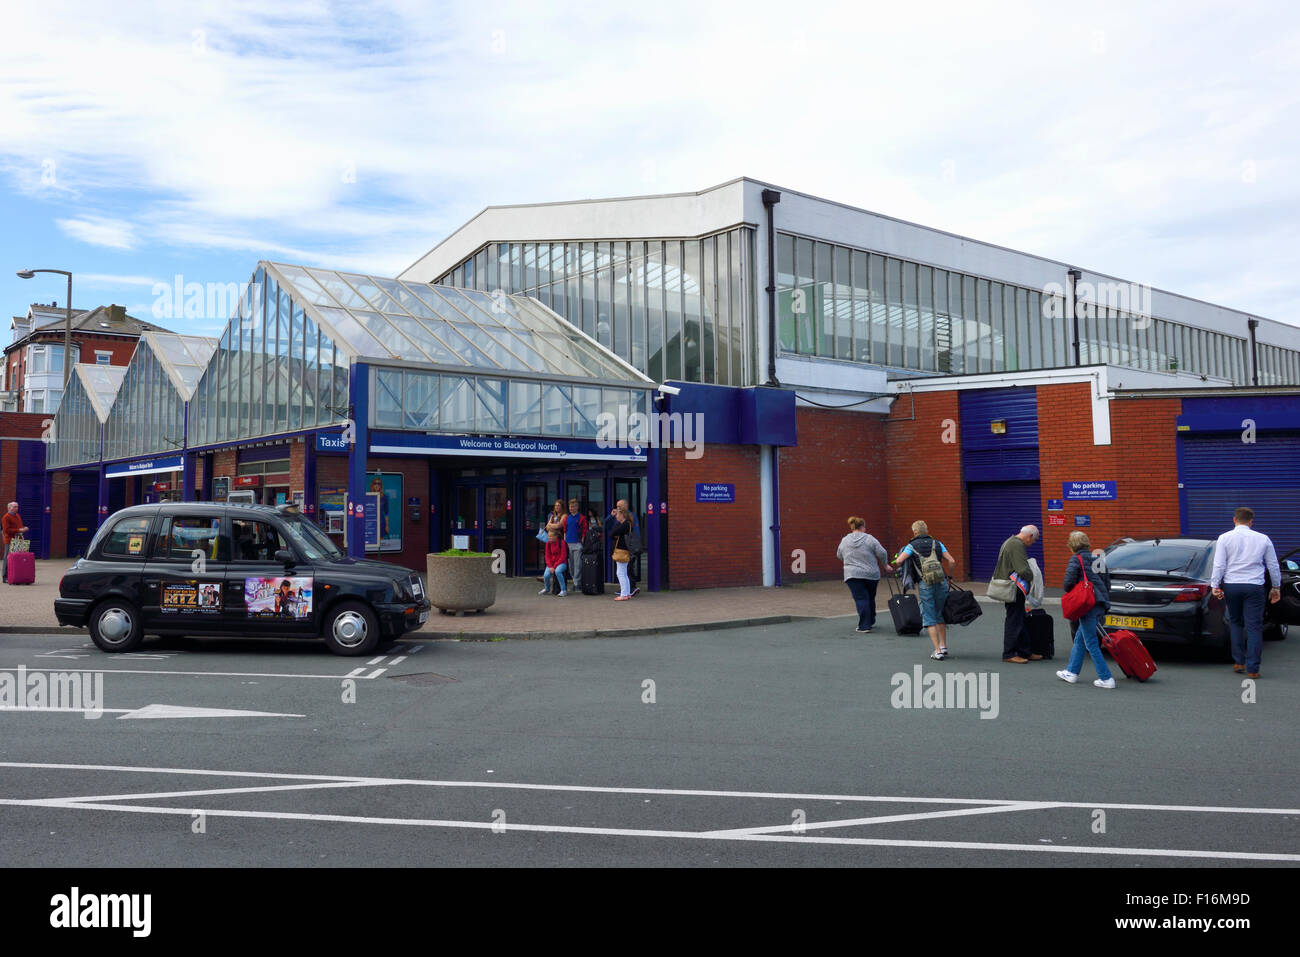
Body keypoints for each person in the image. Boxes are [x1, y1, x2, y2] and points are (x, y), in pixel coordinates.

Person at [1210, 506, 1282, 679]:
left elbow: (1219, 564)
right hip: (1254, 586)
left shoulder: (1224, 538)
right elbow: (1273, 565)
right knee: (1254, 626)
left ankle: (1238, 661)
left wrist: (1215, 585)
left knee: (1235, 622)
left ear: (1234, 520)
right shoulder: (1263, 539)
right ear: (1251, 521)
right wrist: (1276, 587)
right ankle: (1253, 669)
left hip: (1232, 585)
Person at [1056, 531, 1116, 688]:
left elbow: (1067, 584)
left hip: (1087, 604)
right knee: (1080, 639)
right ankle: (1071, 672)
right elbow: (1107, 583)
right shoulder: (1098, 559)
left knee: (1091, 642)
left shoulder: (1076, 559)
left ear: (1072, 545)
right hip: (1099, 602)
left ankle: (1106, 678)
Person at [895, 520, 957, 658]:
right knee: (940, 613)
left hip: (925, 583)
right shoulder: (937, 543)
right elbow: (952, 561)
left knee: (929, 617)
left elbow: (899, 561)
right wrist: (950, 577)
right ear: (927, 530)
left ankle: (937, 651)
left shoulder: (911, 546)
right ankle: (943, 646)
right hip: (941, 582)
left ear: (914, 532)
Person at [836, 517, 891, 633]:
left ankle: (865, 625)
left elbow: (839, 555)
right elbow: (882, 552)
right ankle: (870, 620)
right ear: (862, 527)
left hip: (852, 574)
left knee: (861, 598)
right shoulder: (869, 539)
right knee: (870, 597)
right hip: (871, 574)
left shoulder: (845, 540)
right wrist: (885, 565)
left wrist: (849, 560)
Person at [995, 525, 1040, 663]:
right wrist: (1033, 577)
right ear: (1029, 536)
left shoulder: (1010, 541)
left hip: (1012, 586)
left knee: (1020, 618)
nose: (1032, 543)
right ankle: (1009, 654)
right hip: (1014, 588)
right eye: (1034, 540)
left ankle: (1025, 651)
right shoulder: (1017, 545)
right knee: (1014, 619)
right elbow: (1022, 569)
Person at [605, 499, 640, 597]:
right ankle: (626, 590)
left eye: (619, 506)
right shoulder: (616, 517)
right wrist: (611, 516)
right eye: (617, 506)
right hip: (618, 546)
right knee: (623, 571)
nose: (617, 508)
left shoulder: (628, 519)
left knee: (625, 571)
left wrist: (634, 547)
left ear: (625, 506)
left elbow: (633, 533)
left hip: (625, 548)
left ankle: (628, 590)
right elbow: (607, 527)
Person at [561, 498, 588, 592]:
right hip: (568, 544)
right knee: (571, 566)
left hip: (577, 544)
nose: (571, 508)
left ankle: (577, 584)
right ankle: (575, 582)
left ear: (577, 507)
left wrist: (582, 544)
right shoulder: (567, 518)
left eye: (573, 506)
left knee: (578, 565)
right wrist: (564, 543)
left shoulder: (582, 518)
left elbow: (584, 532)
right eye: (570, 506)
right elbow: (565, 530)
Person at [608, 505, 634, 600]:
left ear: (622, 515)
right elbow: (613, 533)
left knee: (620, 573)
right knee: (624, 572)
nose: (616, 516)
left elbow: (612, 533)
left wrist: (614, 533)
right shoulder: (627, 524)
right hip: (624, 550)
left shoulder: (625, 525)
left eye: (617, 514)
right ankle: (627, 593)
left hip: (622, 550)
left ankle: (623, 594)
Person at [2, 501, 29, 585]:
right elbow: (6, 530)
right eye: (14, 507)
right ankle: (5, 576)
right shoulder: (6, 517)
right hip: (10, 540)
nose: (17, 508)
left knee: (18, 558)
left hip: (19, 540)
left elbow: (19, 527)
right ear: (9, 508)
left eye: (17, 506)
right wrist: (19, 530)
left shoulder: (17, 516)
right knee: (8, 557)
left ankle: (16, 575)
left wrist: (23, 528)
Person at [539, 528, 568, 597]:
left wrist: (554, 567)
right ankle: (547, 588)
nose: (549, 537)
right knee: (546, 575)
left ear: (556, 536)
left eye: (551, 536)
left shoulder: (562, 543)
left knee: (557, 571)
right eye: (548, 536)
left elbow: (563, 556)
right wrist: (550, 566)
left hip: (562, 563)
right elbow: (547, 556)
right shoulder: (548, 544)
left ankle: (563, 590)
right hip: (551, 564)